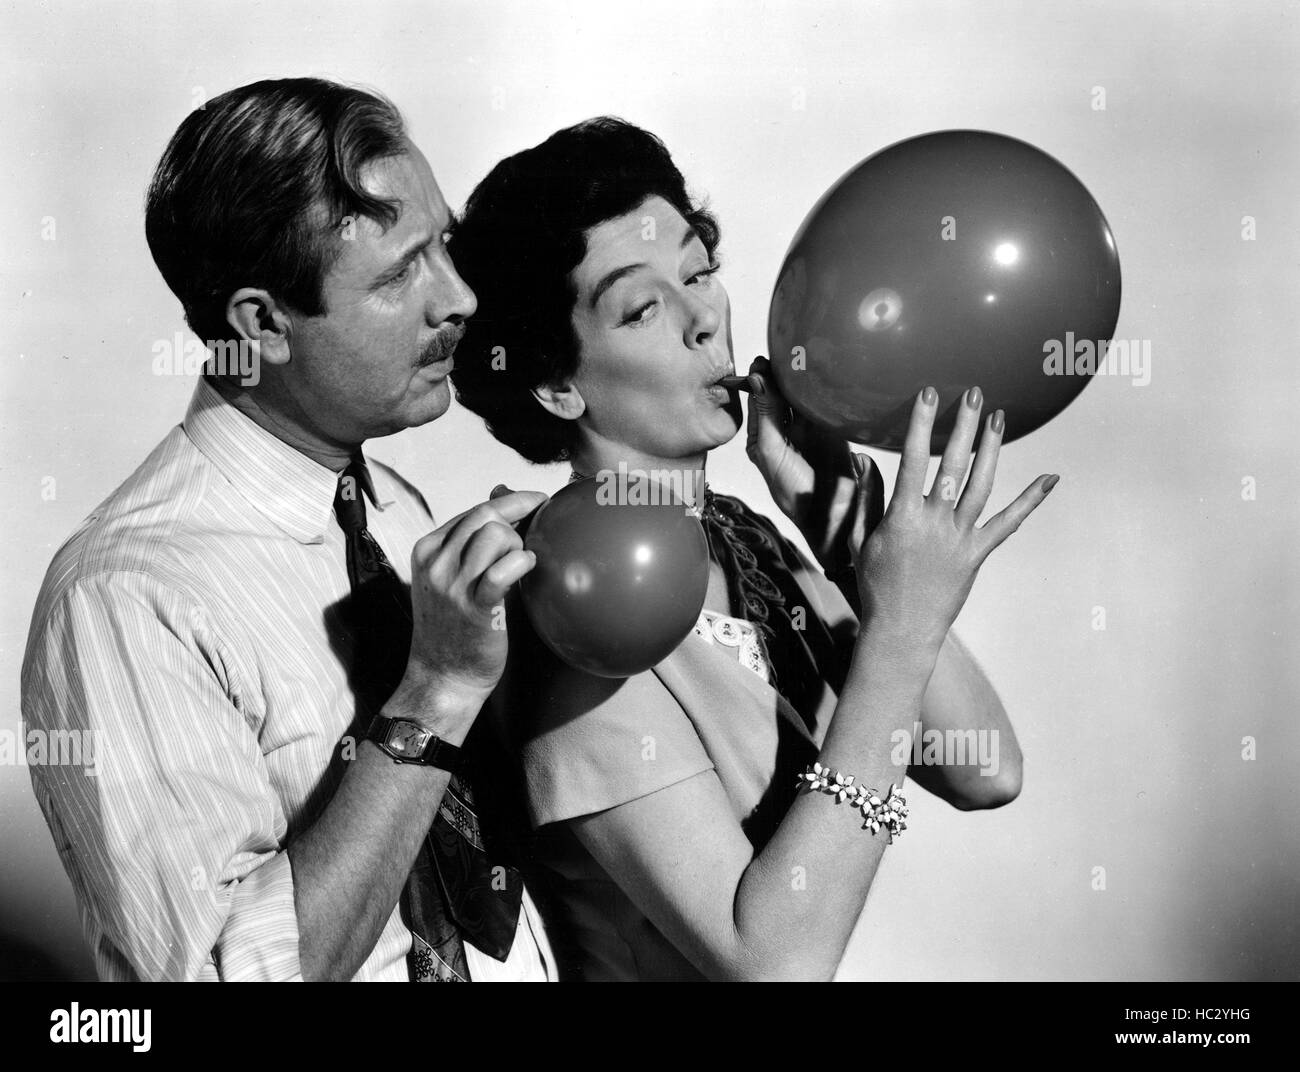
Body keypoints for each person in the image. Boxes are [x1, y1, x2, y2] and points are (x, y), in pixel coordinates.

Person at [448, 117, 1056, 981]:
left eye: (699, 271)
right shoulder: (578, 595)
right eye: (642, 307)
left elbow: (986, 770)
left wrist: (845, 540)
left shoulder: (748, 536)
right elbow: (773, 962)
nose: (704, 318)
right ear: (556, 385)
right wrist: (904, 622)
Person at [20, 78, 555, 982]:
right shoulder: (125, 595)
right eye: (399, 274)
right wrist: (432, 696)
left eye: (445, 248)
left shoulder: (399, 514)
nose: (459, 298)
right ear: (261, 325)